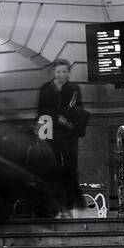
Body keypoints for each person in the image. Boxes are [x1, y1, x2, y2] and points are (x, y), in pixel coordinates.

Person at [37, 59, 89, 213]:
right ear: (54, 72)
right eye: (58, 72)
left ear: (68, 73)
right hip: (51, 133)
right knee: (53, 169)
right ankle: (56, 204)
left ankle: (70, 205)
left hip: (68, 135)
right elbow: (41, 112)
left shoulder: (74, 89)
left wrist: (67, 121)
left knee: (70, 170)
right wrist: (41, 135)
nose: (61, 75)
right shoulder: (46, 89)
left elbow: (79, 110)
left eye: (64, 72)